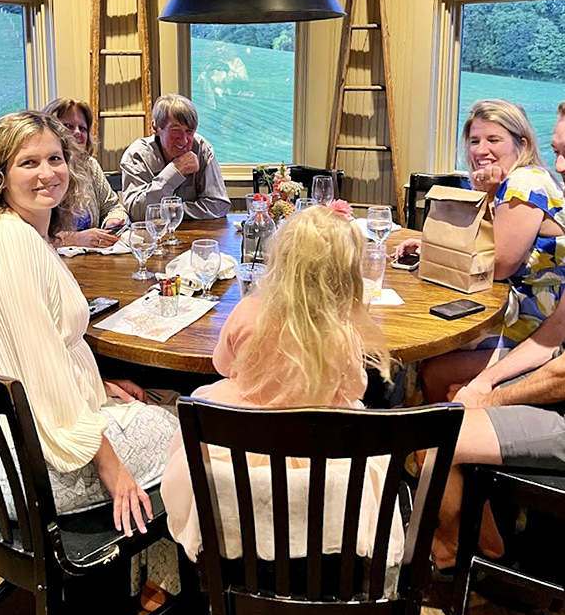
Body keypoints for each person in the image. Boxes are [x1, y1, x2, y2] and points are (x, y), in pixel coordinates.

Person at [0, 111, 178, 534]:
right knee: (190, 429)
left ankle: (143, 579)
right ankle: (161, 583)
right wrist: (113, 470)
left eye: (55, 159)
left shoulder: (23, 234)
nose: (47, 173)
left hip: (19, 433)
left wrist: (98, 382)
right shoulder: (10, 246)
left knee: (152, 401)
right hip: (26, 461)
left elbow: (47, 350)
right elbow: (37, 377)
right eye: (28, 162)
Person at [161, 206, 403, 571]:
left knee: (206, 410)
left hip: (243, 442)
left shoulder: (246, 312)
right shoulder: (341, 332)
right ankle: (324, 552)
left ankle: (241, 546)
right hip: (318, 446)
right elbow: (357, 387)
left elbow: (224, 368)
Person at [398, 99, 565, 403]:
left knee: (436, 365)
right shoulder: (511, 182)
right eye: (474, 140)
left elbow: (497, 266)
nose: (479, 150)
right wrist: (431, 246)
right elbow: (486, 244)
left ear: (522, 143)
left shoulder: (525, 183)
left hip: (534, 321)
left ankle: (436, 443)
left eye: (493, 140)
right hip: (517, 310)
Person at [120, 94, 230, 222]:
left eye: (189, 131)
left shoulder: (201, 149)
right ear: (155, 128)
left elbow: (219, 206)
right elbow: (137, 213)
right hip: (152, 238)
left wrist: (172, 210)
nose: (183, 140)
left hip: (195, 236)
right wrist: (174, 170)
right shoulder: (137, 155)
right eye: (175, 130)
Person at [42, 97, 127, 248]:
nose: (77, 133)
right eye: (68, 126)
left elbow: (113, 207)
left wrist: (112, 223)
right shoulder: (45, 174)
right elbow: (37, 235)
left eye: (82, 128)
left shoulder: (90, 166)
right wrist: (76, 239)